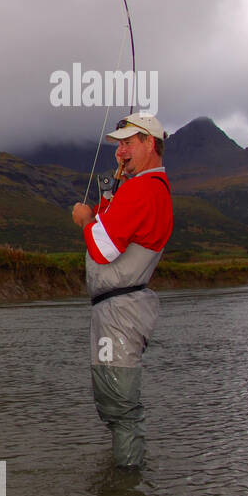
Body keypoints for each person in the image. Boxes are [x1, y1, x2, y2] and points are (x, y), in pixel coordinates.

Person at [71, 113, 173, 468]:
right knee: (114, 402)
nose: (120, 152)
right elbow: (113, 232)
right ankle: (126, 480)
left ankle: (126, 494)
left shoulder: (144, 188)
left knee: (122, 407)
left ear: (150, 144)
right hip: (118, 310)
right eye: (118, 146)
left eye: (128, 143)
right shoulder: (141, 187)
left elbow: (102, 248)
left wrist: (84, 217)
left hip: (120, 312)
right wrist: (108, 201)